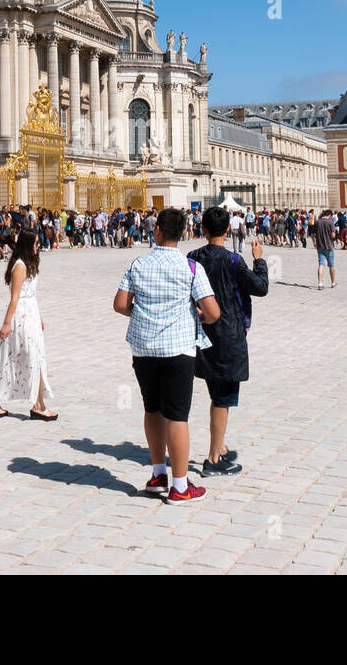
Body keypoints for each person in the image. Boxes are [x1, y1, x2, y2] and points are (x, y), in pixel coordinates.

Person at [114, 207, 220, 504]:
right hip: (177, 348)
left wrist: (145, 314)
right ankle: (180, 485)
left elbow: (121, 304)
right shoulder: (190, 268)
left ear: (156, 230)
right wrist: (196, 315)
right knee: (177, 415)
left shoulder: (139, 263)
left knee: (152, 409)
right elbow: (212, 312)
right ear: (184, 232)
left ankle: (158, 473)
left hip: (144, 348)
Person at [187, 206, 268, 477]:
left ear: (203, 229)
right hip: (228, 335)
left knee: (216, 393)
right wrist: (259, 260)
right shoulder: (233, 261)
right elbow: (260, 288)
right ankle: (213, 460)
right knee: (222, 398)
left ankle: (219, 445)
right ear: (229, 229)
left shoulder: (192, 257)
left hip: (201, 333)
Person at [0, 228, 56, 420]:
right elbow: (15, 298)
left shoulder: (30, 264)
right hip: (20, 316)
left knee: (37, 358)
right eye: (35, 243)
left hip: (30, 313)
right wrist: (6, 324)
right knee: (10, 357)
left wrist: (38, 316)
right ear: (27, 244)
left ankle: (39, 403)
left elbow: (31, 294)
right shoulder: (20, 266)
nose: (38, 246)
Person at [314, 208, 337, 290]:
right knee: (331, 265)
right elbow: (333, 235)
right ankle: (333, 282)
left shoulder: (317, 222)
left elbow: (312, 234)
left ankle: (320, 283)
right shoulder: (330, 223)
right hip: (329, 246)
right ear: (330, 215)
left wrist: (314, 242)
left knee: (321, 264)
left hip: (320, 246)